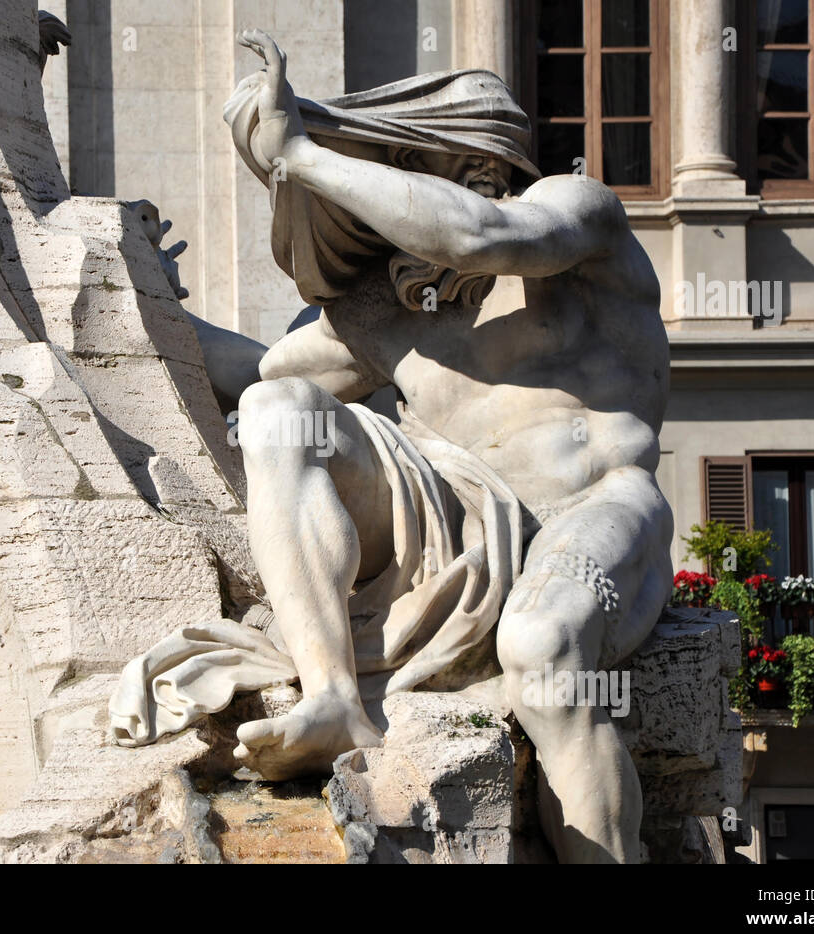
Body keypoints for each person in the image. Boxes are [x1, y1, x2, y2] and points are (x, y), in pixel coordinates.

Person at [112, 30, 673, 864]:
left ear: (468, 168)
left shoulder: (575, 216)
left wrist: (300, 154)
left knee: (543, 649)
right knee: (278, 410)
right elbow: (244, 369)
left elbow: (477, 238)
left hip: (596, 510)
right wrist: (139, 285)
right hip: (456, 514)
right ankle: (333, 692)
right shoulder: (386, 312)